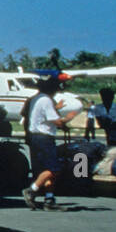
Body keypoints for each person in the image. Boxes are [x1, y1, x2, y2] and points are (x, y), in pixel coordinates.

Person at [23, 77, 80, 210]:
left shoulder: (37, 99)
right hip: (44, 137)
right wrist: (68, 118)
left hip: (36, 136)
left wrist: (55, 108)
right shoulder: (46, 100)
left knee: (46, 169)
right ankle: (32, 189)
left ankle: (49, 198)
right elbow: (57, 121)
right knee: (54, 169)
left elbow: (44, 116)